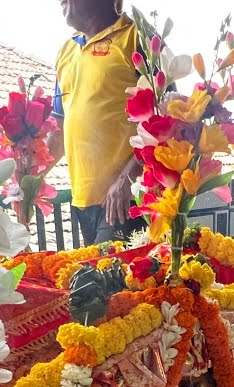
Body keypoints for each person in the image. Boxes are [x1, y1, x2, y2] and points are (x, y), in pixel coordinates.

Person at [50, 0, 143, 245]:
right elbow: (58, 128)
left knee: (108, 280)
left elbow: (168, 119)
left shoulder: (136, 37)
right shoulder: (66, 51)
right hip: (83, 199)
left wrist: (128, 178)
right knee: (101, 277)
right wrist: (28, 180)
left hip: (126, 197)